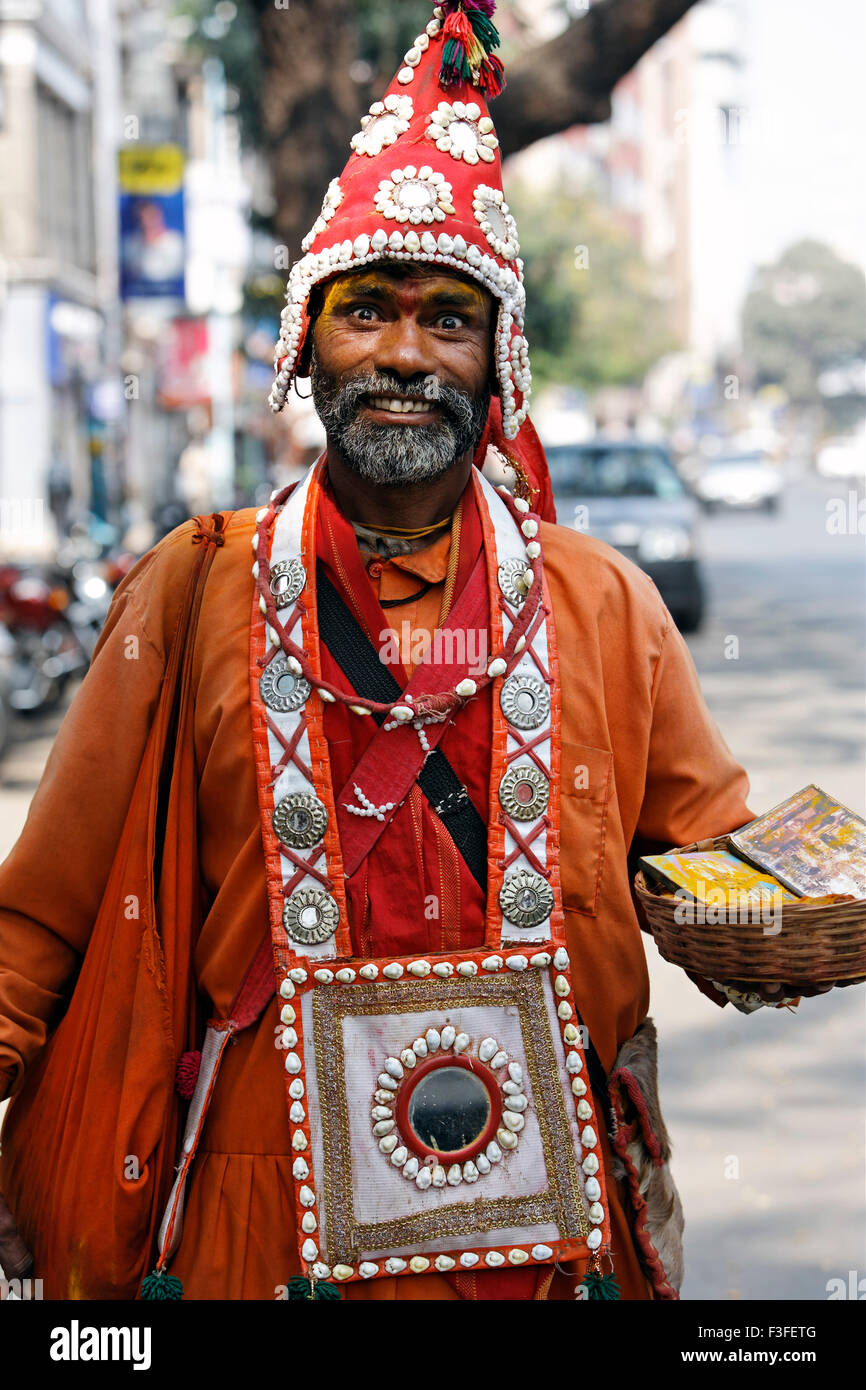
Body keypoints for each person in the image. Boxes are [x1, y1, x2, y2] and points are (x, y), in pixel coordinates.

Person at [0, 1, 831, 1302]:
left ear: (496, 360)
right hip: (258, 1222)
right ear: (305, 344)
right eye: (365, 313)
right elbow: (38, 918)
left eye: (446, 318)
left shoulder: (598, 601)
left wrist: (799, 899)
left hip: (551, 1242)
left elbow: (706, 852)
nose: (401, 353)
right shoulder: (199, 584)